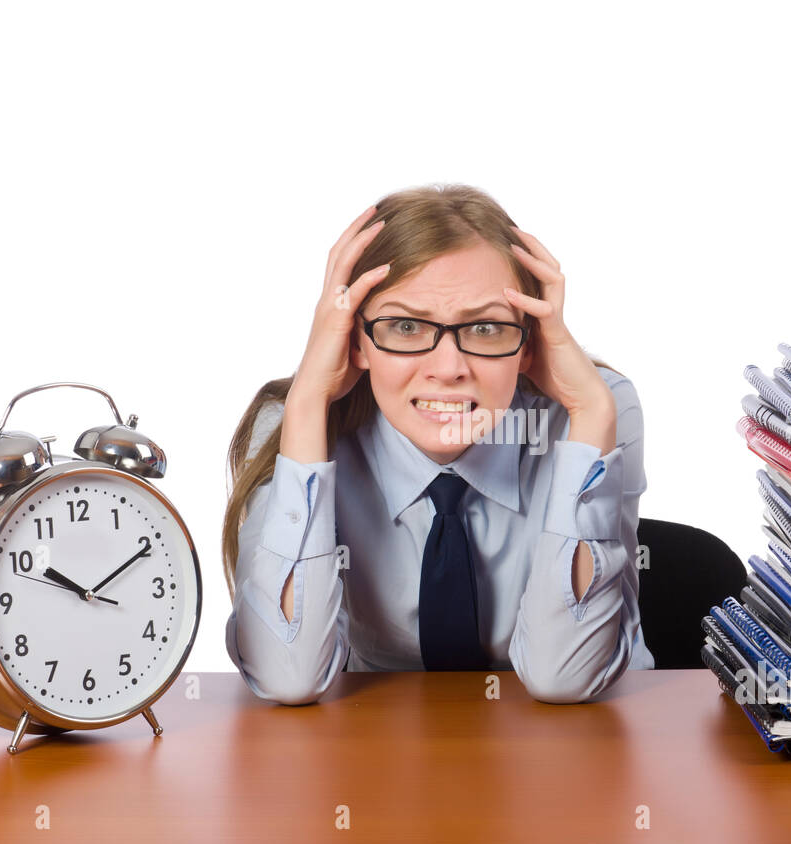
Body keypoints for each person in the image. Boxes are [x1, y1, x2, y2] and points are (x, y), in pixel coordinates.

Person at [222, 184, 655, 705]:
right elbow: (287, 676)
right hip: (371, 756)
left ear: (529, 341)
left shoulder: (594, 410)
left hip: (568, 754)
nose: (449, 369)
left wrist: (590, 414)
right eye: (405, 326)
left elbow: (563, 678)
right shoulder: (296, 423)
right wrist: (309, 400)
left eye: (486, 327)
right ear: (355, 338)